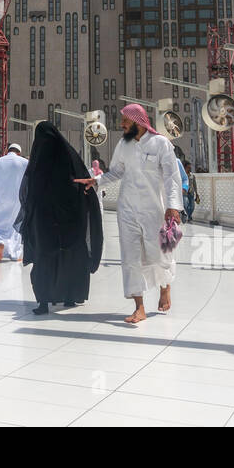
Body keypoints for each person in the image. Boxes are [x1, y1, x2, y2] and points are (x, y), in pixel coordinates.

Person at [76, 103, 182, 324]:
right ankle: (139, 306)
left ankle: (165, 286)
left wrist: (173, 206)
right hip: (127, 210)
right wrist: (96, 182)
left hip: (155, 210)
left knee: (159, 254)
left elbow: (172, 176)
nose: (122, 124)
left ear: (138, 121)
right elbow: (116, 172)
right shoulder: (123, 146)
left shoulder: (160, 143)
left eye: (126, 120)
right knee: (131, 258)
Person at [19, 122, 103, 314]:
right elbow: (83, 188)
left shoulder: (40, 160)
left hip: (45, 220)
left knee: (44, 257)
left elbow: (29, 193)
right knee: (70, 256)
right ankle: (69, 296)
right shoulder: (71, 157)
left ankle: (44, 301)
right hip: (71, 220)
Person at [0, 143, 28, 261]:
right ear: (18, 152)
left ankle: (0, 242)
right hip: (18, 198)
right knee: (16, 224)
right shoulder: (24, 162)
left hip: (1, 196)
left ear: (7, 150)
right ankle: (15, 253)